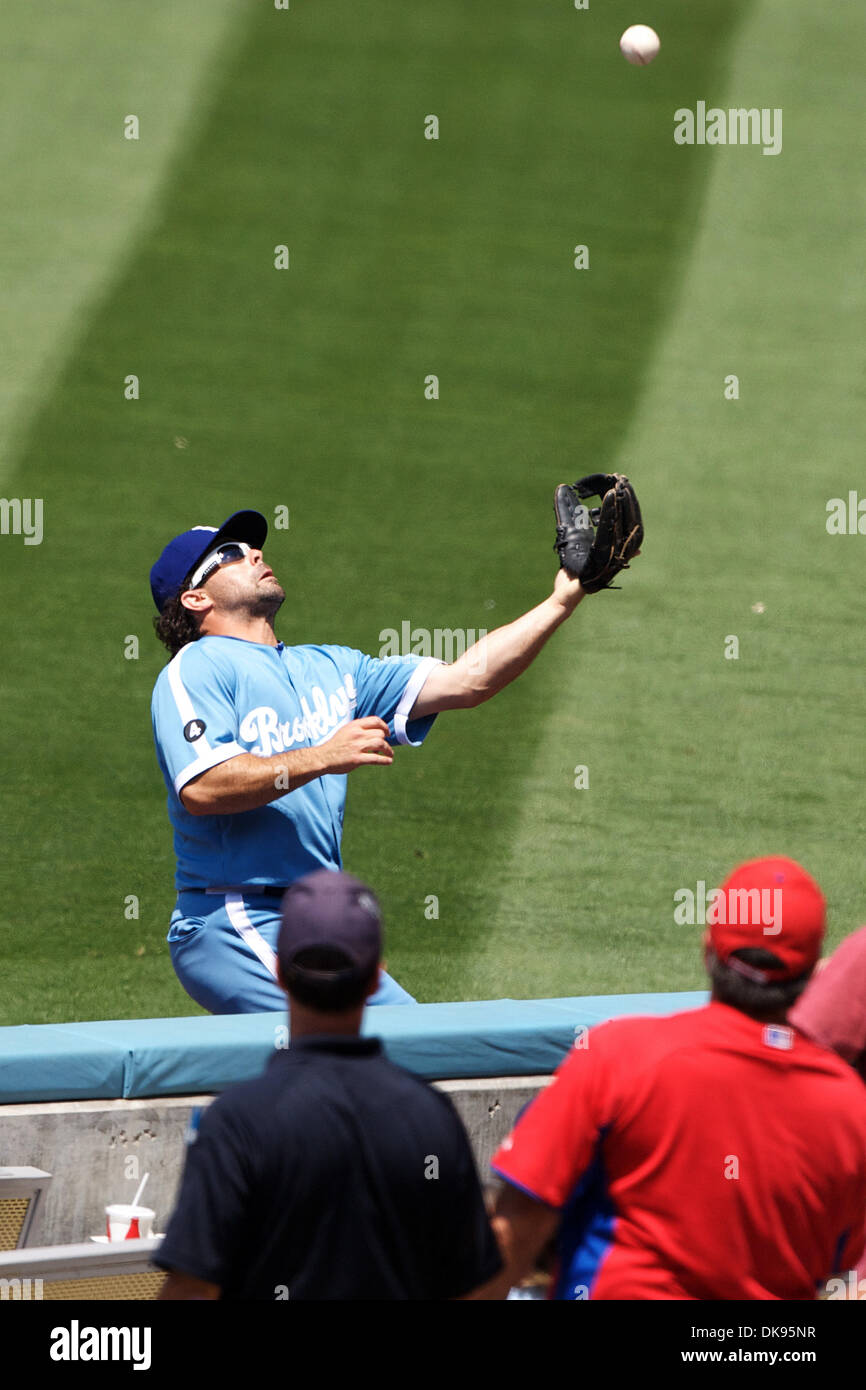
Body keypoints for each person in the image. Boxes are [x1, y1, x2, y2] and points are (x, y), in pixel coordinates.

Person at [150, 507, 590, 1012]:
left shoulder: (330, 667)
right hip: (232, 914)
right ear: (195, 597)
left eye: (253, 547)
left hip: (314, 921)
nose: (254, 554)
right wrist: (321, 756)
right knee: (394, 1047)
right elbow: (202, 788)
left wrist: (564, 598)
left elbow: (469, 680)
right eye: (229, 554)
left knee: (409, 1050)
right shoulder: (197, 669)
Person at [481, 856, 866, 1300]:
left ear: (707, 948)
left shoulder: (618, 1055)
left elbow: (519, 1224)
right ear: (813, 969)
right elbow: (837, 1265)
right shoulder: (849, 1108)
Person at [154, 870, 503, 1300]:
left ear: (278, 973)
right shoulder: (432, 1116)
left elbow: (192, 1289)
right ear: (377, 978)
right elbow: (477, 1287)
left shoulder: (235, 1122)